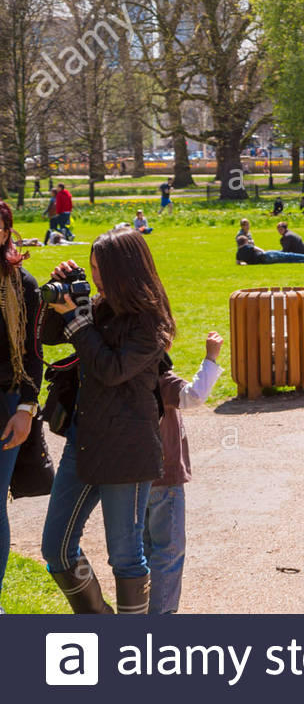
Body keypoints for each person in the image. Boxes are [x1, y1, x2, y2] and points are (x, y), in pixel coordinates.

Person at [41, 228, 176, 614]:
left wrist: (79, 323)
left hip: (128, 450)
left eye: (101, 271)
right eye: (91, 268)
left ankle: (130, 652)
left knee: (125, 556)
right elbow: (52, 337)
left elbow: (111, 368)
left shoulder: (150, 322)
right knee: (56, 547)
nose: (95, 278)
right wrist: (61, 293)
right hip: (84, 441)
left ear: (124, 272)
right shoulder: (98, 305)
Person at [146, 332, 223, 613]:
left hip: (134, 479)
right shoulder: (162, 379)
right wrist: (210, 358)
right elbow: (194, 396)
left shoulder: (130, 377)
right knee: (168, 551)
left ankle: (139, 611)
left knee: (143, 551)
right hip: (165, 478)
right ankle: (162, 614)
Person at [0, 202, 44, 607]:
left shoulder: (22, 285)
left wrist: (26, 409)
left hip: (5, 403)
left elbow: (33, 353)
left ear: (5, 233)